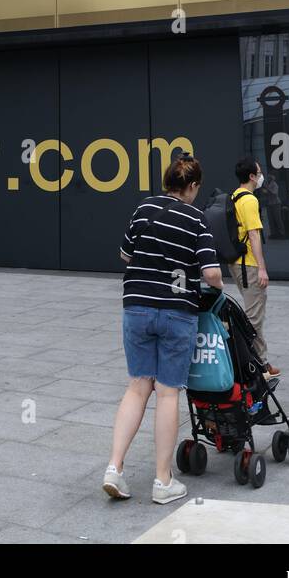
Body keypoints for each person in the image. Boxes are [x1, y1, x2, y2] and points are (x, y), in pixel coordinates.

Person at [104, 155, 222, 504]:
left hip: (137, 306)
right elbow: (212, 273)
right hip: (175, 311)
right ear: (194, 186)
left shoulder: (143, 208)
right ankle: (162, 481)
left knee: (138, 386)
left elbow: (125, 255)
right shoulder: (196, 218)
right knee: (168, 392)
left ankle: (114, 468)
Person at [227, 157, 280, 380]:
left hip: (237, 264)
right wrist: (262, 268)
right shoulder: (249, 200)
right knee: (251, 320)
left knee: (252, 316)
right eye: (259, 173)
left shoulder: (234, 196)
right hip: (248, 264)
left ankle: (263, 361)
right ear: (251, 176)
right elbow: (254, 234)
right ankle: (247, 367)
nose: (261, 176)